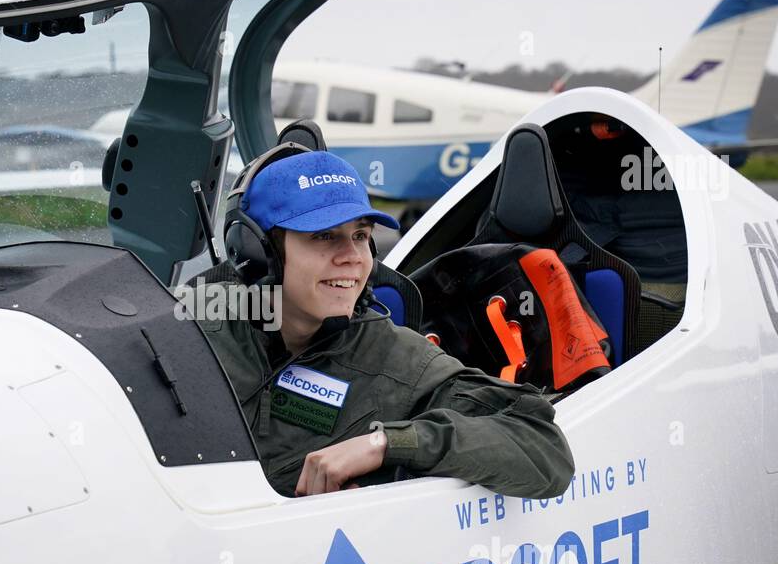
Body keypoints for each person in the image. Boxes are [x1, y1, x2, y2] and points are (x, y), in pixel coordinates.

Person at [195, 146, 575, 498]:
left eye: (360, 235)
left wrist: (388, 443)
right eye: (324, 236)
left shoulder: (399, 362)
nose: (352, 256)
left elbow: (545, 449)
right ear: (258, 253)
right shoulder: (194, 323)